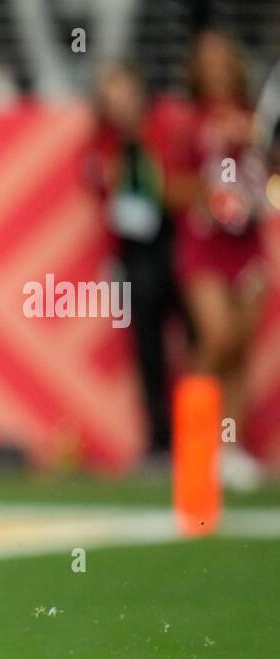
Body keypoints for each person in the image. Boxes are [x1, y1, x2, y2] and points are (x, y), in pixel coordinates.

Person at [166, 30, 269, 490]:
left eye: (222, 59)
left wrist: (256, 148)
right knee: (216, 335)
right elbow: (168, 187)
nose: (216, 69)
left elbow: (269, 181)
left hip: (247, 247)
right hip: (204, 245)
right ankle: (195, 444)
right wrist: (208, 194)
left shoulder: (256, 119)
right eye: (206, 60)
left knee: (242, 347)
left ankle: (231, 449)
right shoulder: (188, 122)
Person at [85, 62, 183, 471]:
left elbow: (177, 181)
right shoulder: (103, 143)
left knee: (195, 339)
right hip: (135, 252)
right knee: (147, 348)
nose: (119, 103)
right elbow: (94, 186)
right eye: (111, 97)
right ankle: (159, 440)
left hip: (174, 241)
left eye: (124, 92)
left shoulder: (163, 127)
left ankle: (209, 437)